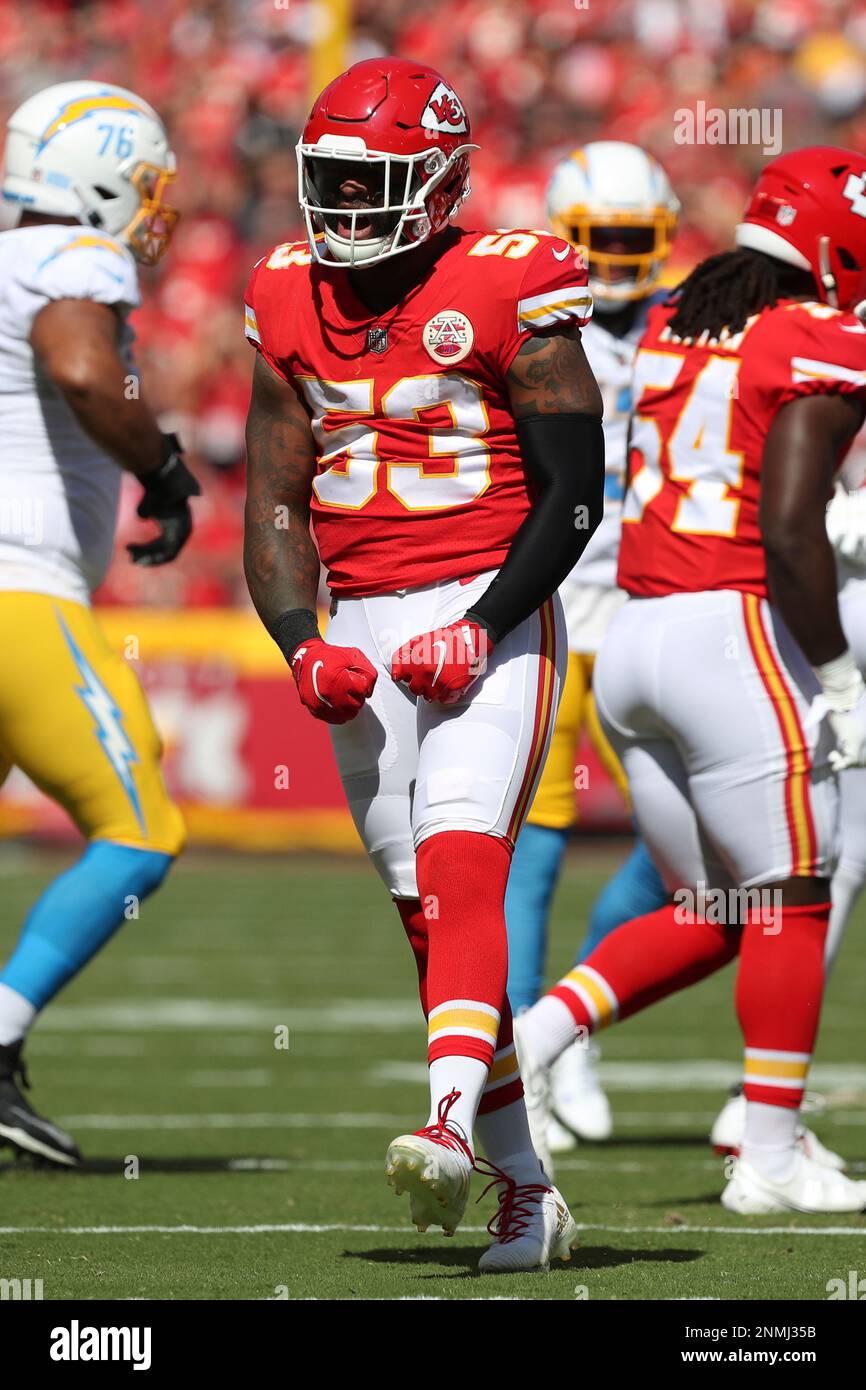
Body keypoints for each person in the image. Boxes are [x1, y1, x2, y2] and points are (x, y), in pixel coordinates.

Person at [243, 57, 604, 1270]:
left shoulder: (509, 283)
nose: (344, 205)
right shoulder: (285, 296)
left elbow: (572, 494)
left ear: (440, 180)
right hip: (366, 619)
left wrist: (487, 620)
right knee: (422, 918)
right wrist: (302, 643)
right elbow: (277, 501)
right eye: (330, 179)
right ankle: (526, 1189)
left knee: (460, 863)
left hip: (486, 604)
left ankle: (446, 1119)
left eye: (370, 179)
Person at [515, 146, 866, 1214]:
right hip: (729, 633)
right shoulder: (816, 334)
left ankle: (524, 1040)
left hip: (630, 634)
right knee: (797, 897)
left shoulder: (679, 321)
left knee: (713, 908)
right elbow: (790, 528)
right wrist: (841, 679)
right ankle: (766, 1151)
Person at [0, 82, 197, 1166]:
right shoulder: (69, 255)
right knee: (140, 827)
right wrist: (162, 467)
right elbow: (82, 365)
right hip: (20, 591)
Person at [505, 142, 675, 1158]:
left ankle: (568, 1020)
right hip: (551, 604)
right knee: (531, 844)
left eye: (630, 242)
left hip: (655, 609)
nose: (615, 261)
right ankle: (527, 1046)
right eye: (598, 241)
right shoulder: (521, 316)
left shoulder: (690, 321)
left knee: (694, 844)